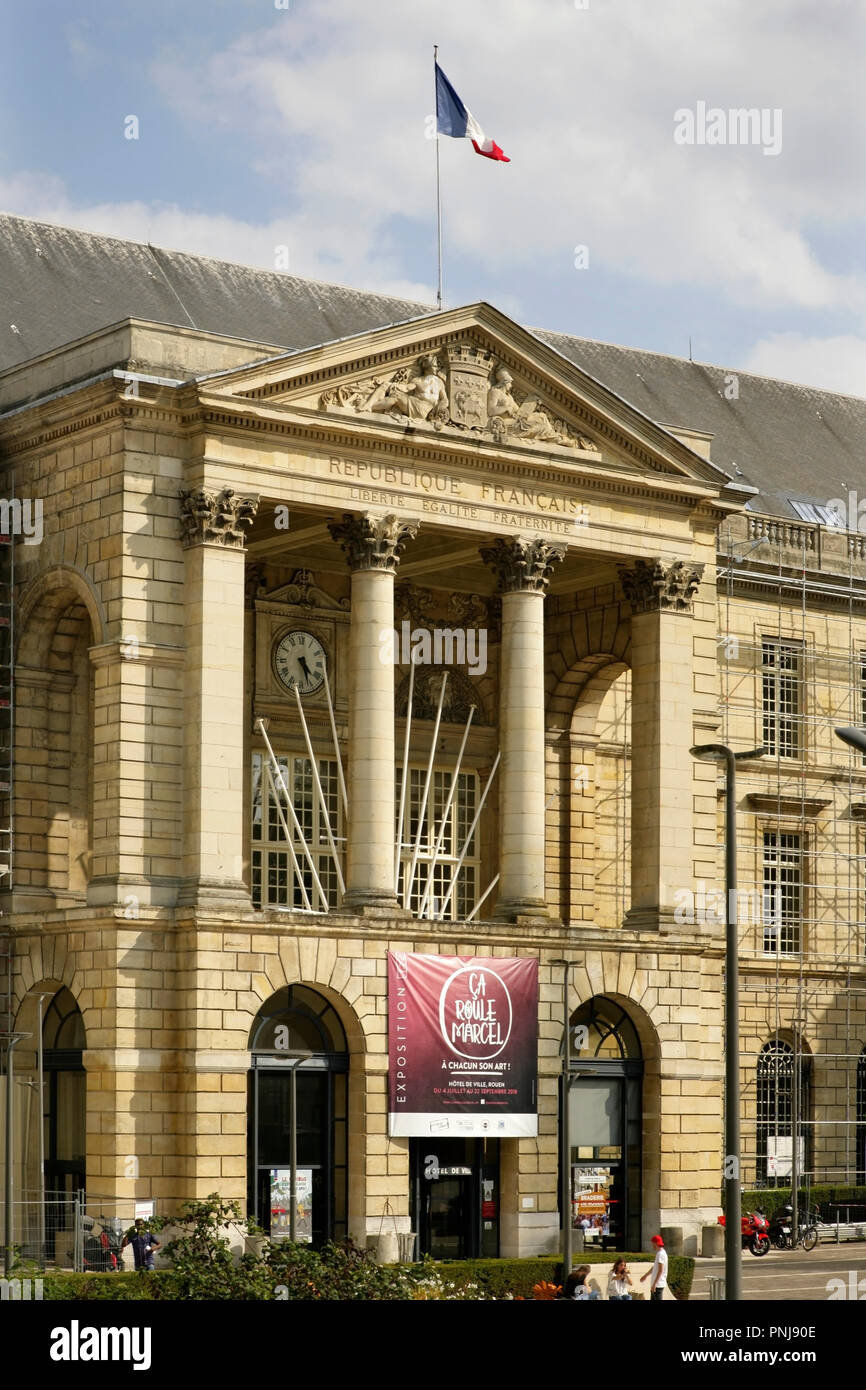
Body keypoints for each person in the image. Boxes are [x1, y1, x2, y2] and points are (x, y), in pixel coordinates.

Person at [640, 1234, 668, 1301]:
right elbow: (655, 1267)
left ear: (655, 1243)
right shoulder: (660, 1253)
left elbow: (660, 1270)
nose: (652, 1245)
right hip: (657, 1284)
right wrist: (645, 1275)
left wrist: (654, 1284)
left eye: (652, 1243)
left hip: (658, 1284)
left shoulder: (661, 1254)